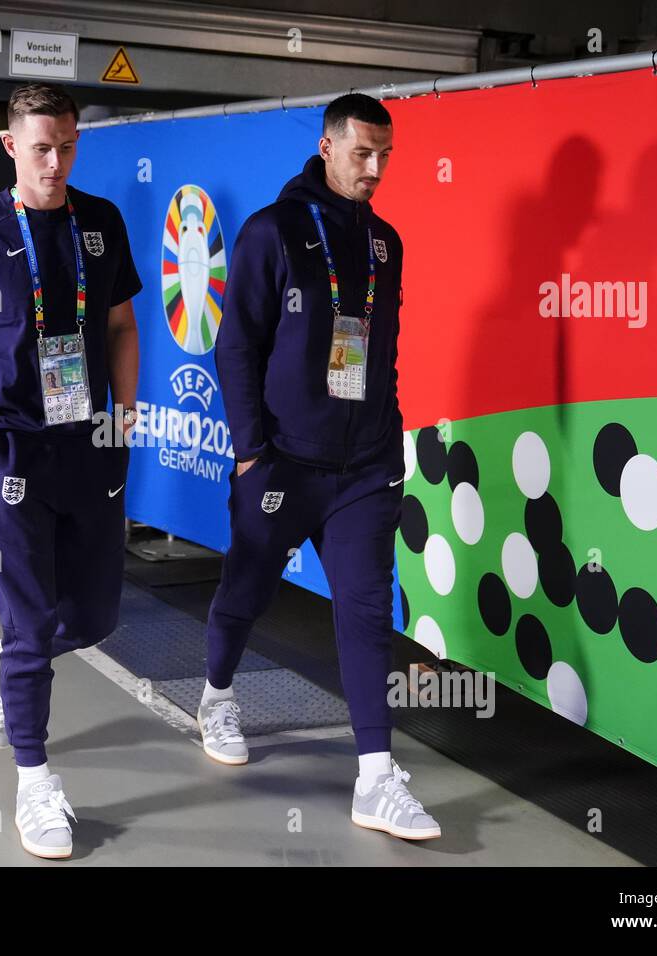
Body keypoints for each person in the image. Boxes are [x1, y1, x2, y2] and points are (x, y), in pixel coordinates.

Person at [201, 93, 442, 840]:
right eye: (362, 153)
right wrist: (249, 452)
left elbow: (384, 352)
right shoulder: (273, 233)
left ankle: (375, 777)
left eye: (385, 157)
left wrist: (389, 443)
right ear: (328, 146)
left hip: (364, 468)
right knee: (247, 590)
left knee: (367, 612)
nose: (374, 170)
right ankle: (216, 693)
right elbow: (235, 346)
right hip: (282, 464)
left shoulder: (385, 246)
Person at [0, 83, 140, 860]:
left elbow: (120, 325)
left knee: (91, 618)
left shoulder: (102, 223)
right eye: (41, 147)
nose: (56, 162)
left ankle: (2, 660)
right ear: (11, 145)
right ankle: (35, 777)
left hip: (91, 449)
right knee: (26, 622)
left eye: (68, 146)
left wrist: (122, 415)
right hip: (13, 450)